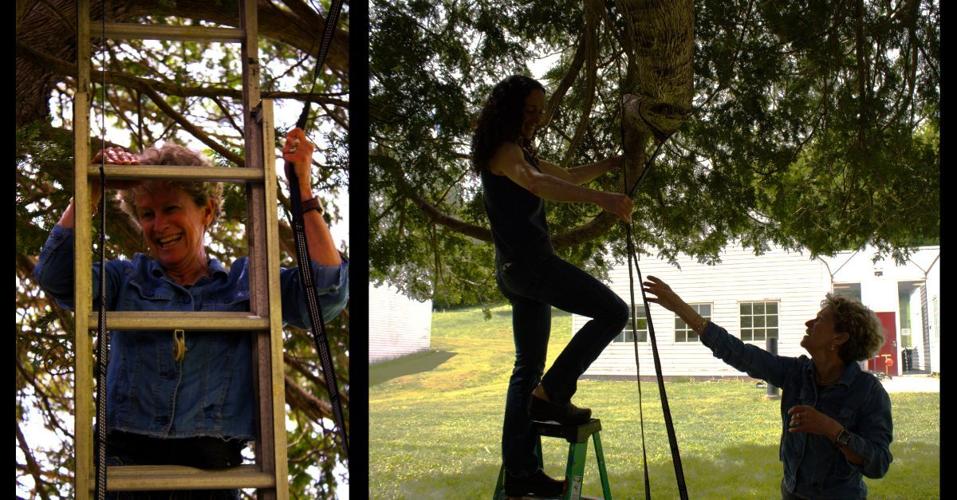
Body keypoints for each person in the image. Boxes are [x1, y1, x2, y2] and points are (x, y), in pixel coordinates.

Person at [33, 129, 348, 499]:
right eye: (147, 214)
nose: (159, 225)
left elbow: (326, 292)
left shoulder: (245, 284)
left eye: (171, 209)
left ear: (208, 212)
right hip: (128, 474)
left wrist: (303, 193)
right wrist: (93, 189)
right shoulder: (125, 280)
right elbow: (55, 276)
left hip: (210, 480)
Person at [471, 74, 634, 498]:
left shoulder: (517, 150)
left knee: (526, 370)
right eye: (530, 110)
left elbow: (568, 174)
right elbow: (538, 183)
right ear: (509, 110)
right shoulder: (505, 153)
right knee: (614, 312)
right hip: (529, 267)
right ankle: (554, 393)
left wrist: (610, 167)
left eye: (541, 111)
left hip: (516, 272)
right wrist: (605, 200)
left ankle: (523, 473)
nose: (537, 118)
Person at [642, 275, 892, 499]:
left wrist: (832, 429)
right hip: (792, 493)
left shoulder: (868, 391)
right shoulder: (797, 374)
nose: (809, 323)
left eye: (820, 320)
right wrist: (679, 307)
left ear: (839, 338)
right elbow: (738, 353)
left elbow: (878, 464)